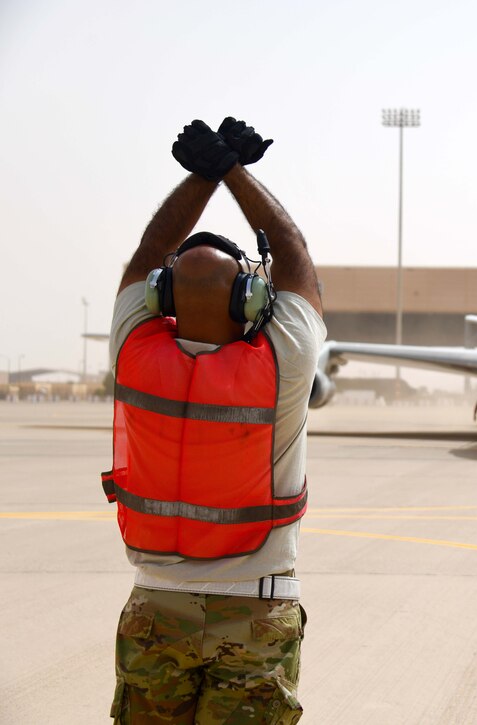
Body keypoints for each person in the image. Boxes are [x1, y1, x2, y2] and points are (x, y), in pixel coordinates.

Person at [103, 118, 325, 723]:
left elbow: (146, 256)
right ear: (249, 301)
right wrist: (232, 171)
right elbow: (295, 254)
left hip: (157, 609)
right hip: (257, 610)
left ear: (162, 298)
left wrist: (199, 176)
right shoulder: (283, 364)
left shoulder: (133, 354)